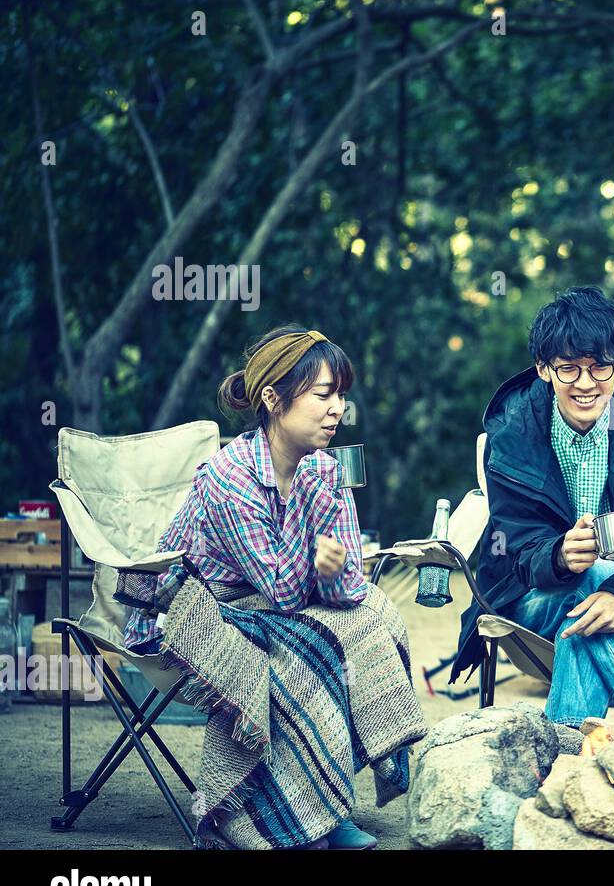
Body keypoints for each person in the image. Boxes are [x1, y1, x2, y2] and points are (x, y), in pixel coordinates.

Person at [122, 325, 425, 849]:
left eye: (341, 396)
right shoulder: (230, 479)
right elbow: (286, 593)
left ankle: (326, 802)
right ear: (273, 399)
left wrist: (331, 573)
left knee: (375, 616)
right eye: (323, 395)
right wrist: (319, 566)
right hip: (190, 615)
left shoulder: (326, 471)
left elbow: (351, 586)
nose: (338, 409)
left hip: (265, 601)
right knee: (310, 649)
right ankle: (275, 817)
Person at [449, 286, 614, 727]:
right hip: (531, 597)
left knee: (590, 606)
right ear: (544, 369)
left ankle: (566, 750)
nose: (585, 384)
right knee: (592, 577)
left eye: (599, 368)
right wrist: (559, 556)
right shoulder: (512, 436)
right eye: (568, 369)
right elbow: (511, 547)